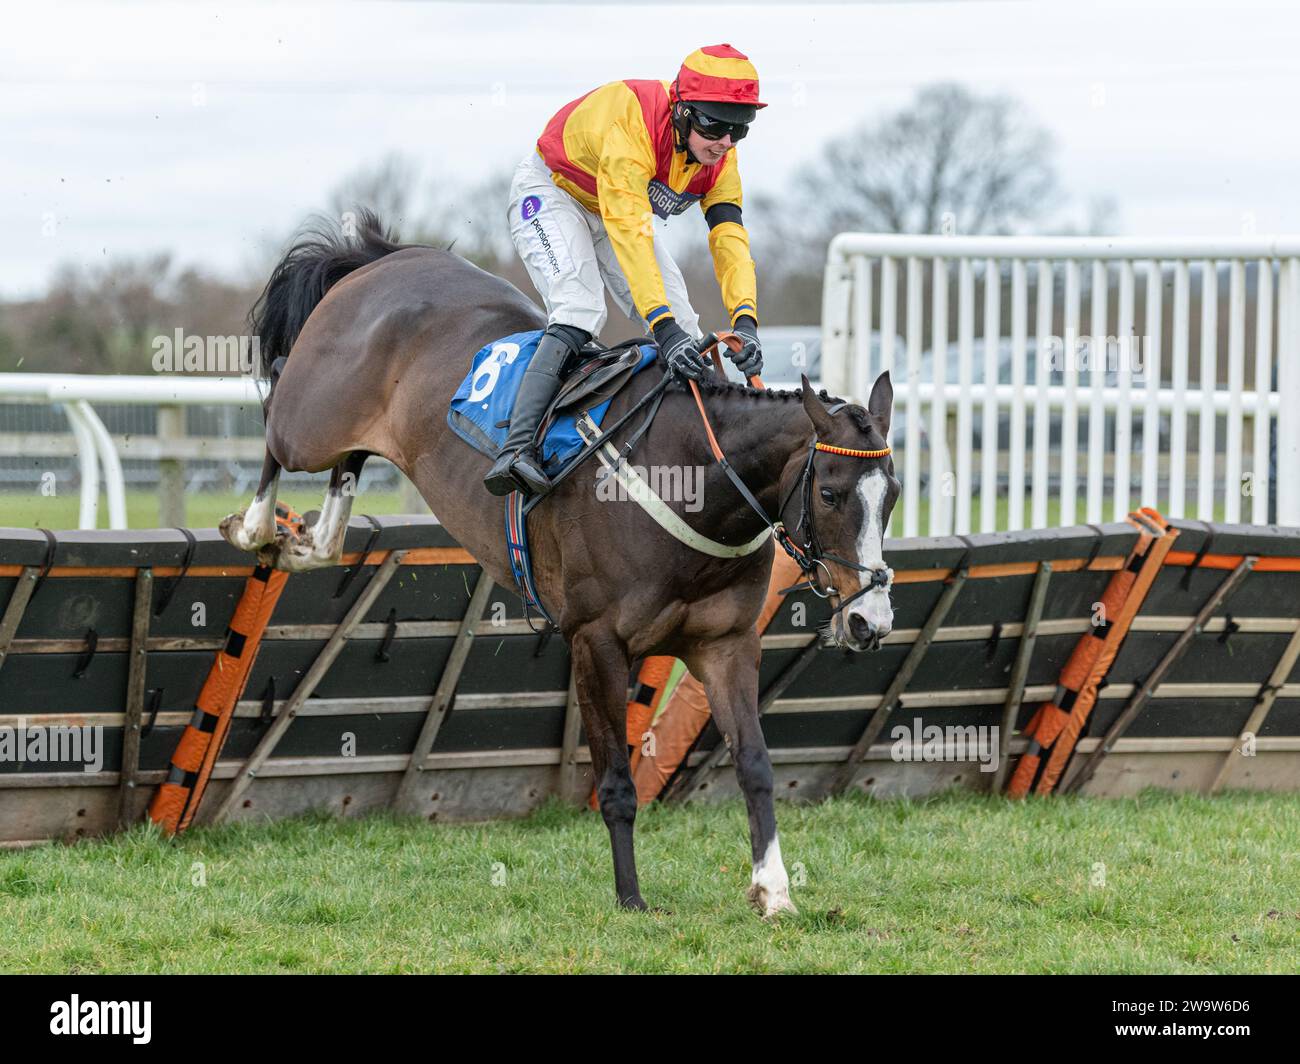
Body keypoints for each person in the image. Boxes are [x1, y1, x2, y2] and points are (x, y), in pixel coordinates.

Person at [483, 43, 768, 497]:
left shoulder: (721, 156)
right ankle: (515, 449)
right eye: (716, 125)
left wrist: (746, 323)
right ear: (681, 111)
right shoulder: (632, 122)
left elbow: (730, 240)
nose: (726, 142)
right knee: (581, 308)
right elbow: (631, 235)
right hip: (554, 194)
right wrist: (662, 329)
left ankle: (708, 457)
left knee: (690, 333)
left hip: (616, 211)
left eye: (741, 129)